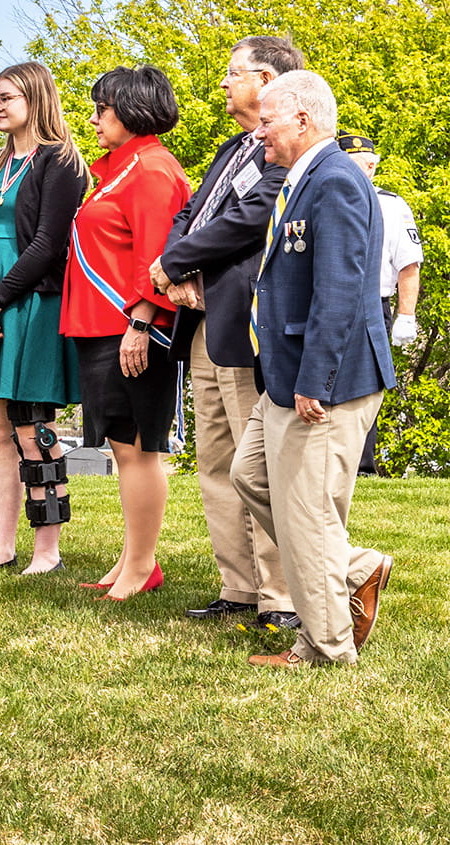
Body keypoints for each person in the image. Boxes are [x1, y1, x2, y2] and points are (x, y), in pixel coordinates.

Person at [231, 70, 396, 668]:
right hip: (289, 375)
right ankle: (356, 567)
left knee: (307, 515)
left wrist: (314, 382)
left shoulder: (336, 181)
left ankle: (326, 648)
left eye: (267, 120)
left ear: (302, 119)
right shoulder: (308, 178)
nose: (259, 133)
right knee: (251, 476)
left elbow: (340, 291)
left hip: (323, 381)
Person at [148, 35, 301, 627]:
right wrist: (176, 264)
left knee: (254, 462)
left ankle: (280, 596)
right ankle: (237, 587)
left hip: (244, 320)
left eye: (233, 72)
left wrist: (176, 262)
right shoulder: (233, 147)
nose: (223, 82)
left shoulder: (284, 148)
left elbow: (251, 217)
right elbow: (189, 213)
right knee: (214, 461)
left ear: (266, 80)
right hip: (201, 322)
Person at [0, 63, 89, 576]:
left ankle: (47, 550)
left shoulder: (62, 162)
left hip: (31, 303)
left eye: (7, 97)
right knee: (0, 429)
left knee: (35, 428)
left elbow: (48, 243)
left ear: (35, 98)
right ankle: (1, 546)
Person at [62, 65, 190, 600]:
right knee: (123, 447)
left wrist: (140, 322)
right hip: (104, 327)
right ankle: (132, 558)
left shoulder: (152, 169)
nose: (94, 120)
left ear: (132, 110)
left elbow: (157, 257)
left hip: (132, 329)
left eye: (103, 110)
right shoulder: (125, 168)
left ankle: (142, 565)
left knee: (138, 448)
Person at [335, 131, 423, 476]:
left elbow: (408, 265)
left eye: (362, 164)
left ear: (373, 166)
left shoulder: (392, 205)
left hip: (371, 305)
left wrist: (406, 316)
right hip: (326, 304)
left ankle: (362, 466)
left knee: (366, 386)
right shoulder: (323, 197)